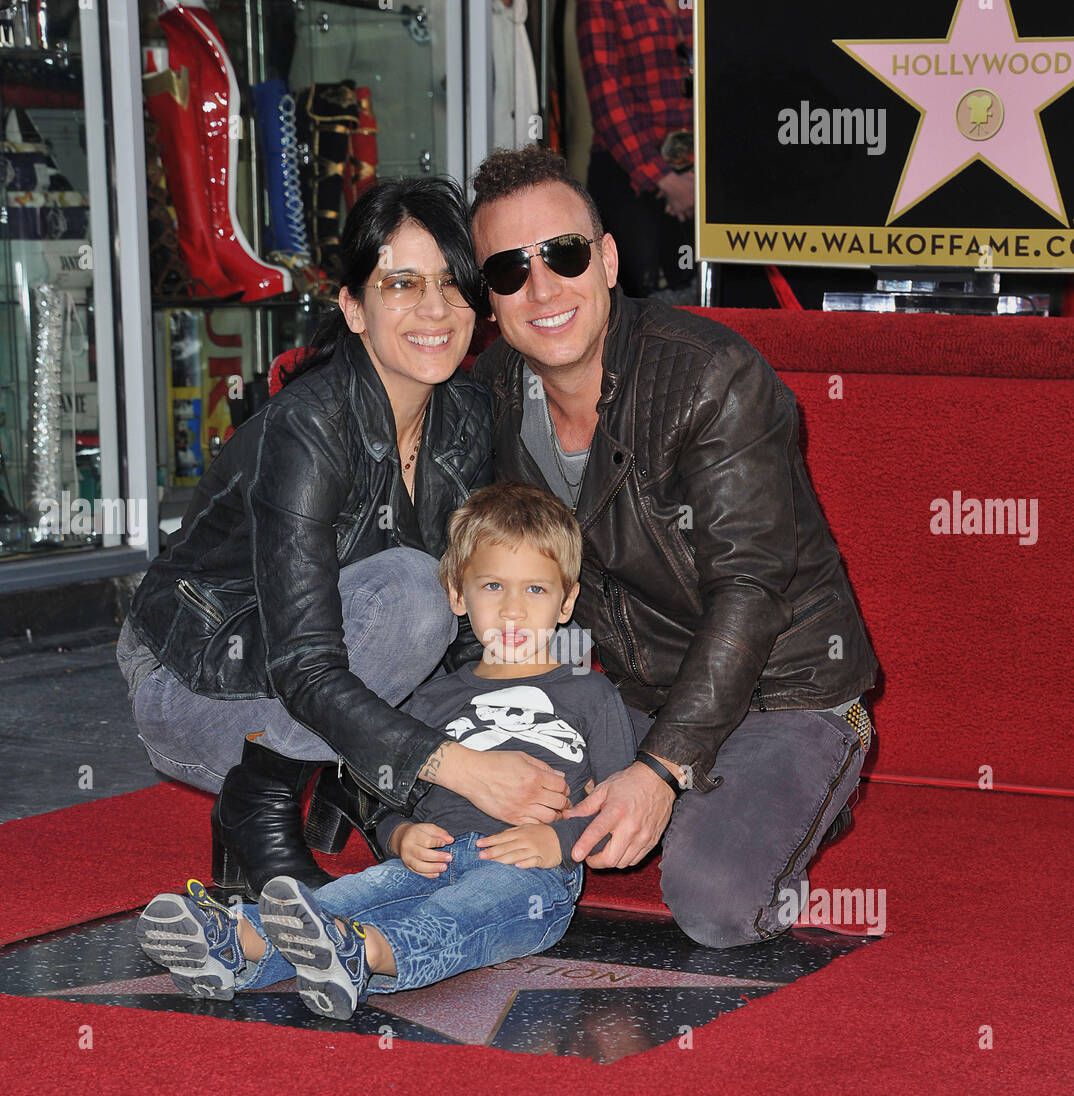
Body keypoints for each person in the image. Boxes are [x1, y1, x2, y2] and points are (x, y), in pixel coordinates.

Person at [468, 146, 879, 950]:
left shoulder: (709, 376)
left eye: (564, 254)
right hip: (635, 689)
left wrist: (661, 771)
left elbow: (751, 591)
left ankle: (809, 776)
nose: (542, 288)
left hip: (783, 687)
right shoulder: (492, 390)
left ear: (609, 257)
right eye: (510, 270)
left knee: (715, 902)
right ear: (491, 297)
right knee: (468, 816)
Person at [118, 177, 575, 899]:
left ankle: (350, 781)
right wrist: (456, 766)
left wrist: (513, 733)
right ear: (354, 307)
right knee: (417, 593)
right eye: (401, 284)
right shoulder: (307, 429)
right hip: (197, 680)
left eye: (452, 283)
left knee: (447, 616)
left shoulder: (465, 415)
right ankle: (260, 802)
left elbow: (469, 623)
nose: (434, 309)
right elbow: (306, 665)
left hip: (328, 670)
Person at [135, 483, 638, 1018]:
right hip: (433, 856)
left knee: (454, 917)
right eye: (493, 585)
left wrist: (556, 840)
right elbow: (393, 797)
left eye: (535, 590)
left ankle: (363, 954)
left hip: (531, 876)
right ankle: (234, 943)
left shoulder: (590, 692)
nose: (513, 610)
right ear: (457, 595)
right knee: (338, 900)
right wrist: (399, 834)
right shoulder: (434, 696)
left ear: (567, 601)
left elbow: (615, 801)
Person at [576, 0, 695, 299]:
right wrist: (667, 181)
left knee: (705, 309)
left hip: (695, 176)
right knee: (638, 311)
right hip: (628, 173)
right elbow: (606, 101)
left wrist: (699, 173)